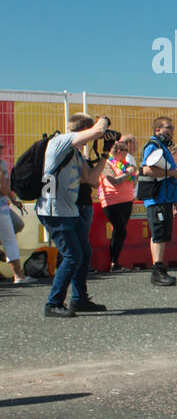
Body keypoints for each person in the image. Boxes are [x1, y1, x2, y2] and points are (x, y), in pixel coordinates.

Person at [36, 114, 111, 315]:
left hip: (70, 211)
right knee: (72, 256)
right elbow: (98, 131)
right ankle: (53, 304)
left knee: (84, 253)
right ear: (84, 130)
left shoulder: (76, 153)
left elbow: (92, 179)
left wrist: (104, 154)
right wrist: (103, 120)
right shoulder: (61, 142)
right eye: (90, 132)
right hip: (54, 211)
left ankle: (79, 299)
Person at [139, 116, 177, 287]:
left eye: (172, 128)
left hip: (165, 199)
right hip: (157, 198)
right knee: (159, 234)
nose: (171, 131)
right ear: (157, 130)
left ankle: (159, 268)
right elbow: (147, 169)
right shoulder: (153, 146)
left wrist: (175, 201)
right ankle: (157, 270)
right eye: (167, 128)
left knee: (160, 234)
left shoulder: (162, 147)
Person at [98, 138, 138, 272]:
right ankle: (114, 262)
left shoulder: (125, 164)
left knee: (120, 231)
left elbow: (133, 182)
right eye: (126, 151)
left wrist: (134, 174)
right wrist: (129, 172)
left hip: (126, 200)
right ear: (119, 151)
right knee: (120, 230)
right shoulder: (107, 163)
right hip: (112, 201)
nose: (128, 154)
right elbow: (113, 180)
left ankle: (116, 262)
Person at [0, 140, 37, 284]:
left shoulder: (2, 163)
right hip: (1, 207)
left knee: (17, 225)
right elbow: (2, 187)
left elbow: (5, 187)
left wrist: (12, 198)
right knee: (10, 241)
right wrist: (6, 192)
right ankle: (18, 275)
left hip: (4, 204)